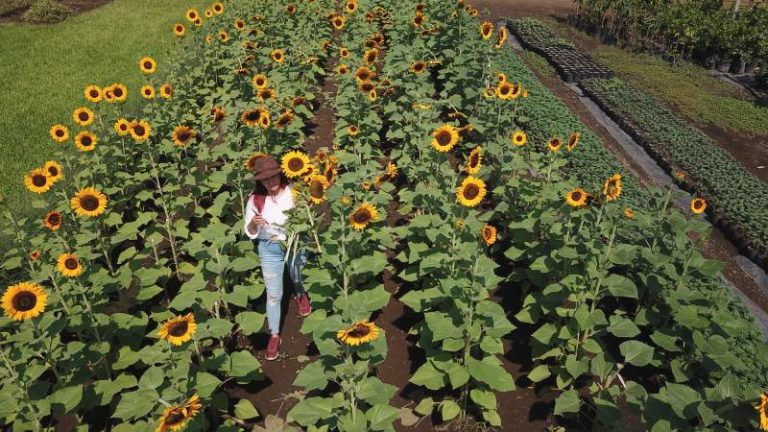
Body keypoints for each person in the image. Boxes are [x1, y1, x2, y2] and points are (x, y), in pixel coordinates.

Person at [244, 155, 312, 361]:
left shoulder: (294, 192)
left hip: (295, 242)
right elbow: (249, 230)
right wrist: (255, 223)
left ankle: (300, 293)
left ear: (280, 174)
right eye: (265, 180)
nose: (270, 182)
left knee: (296, 273)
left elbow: (308, 216)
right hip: (269, 247)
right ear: (260, 181)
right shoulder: (255, 200)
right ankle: (274, 334)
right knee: (273, 295)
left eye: (273, 177)